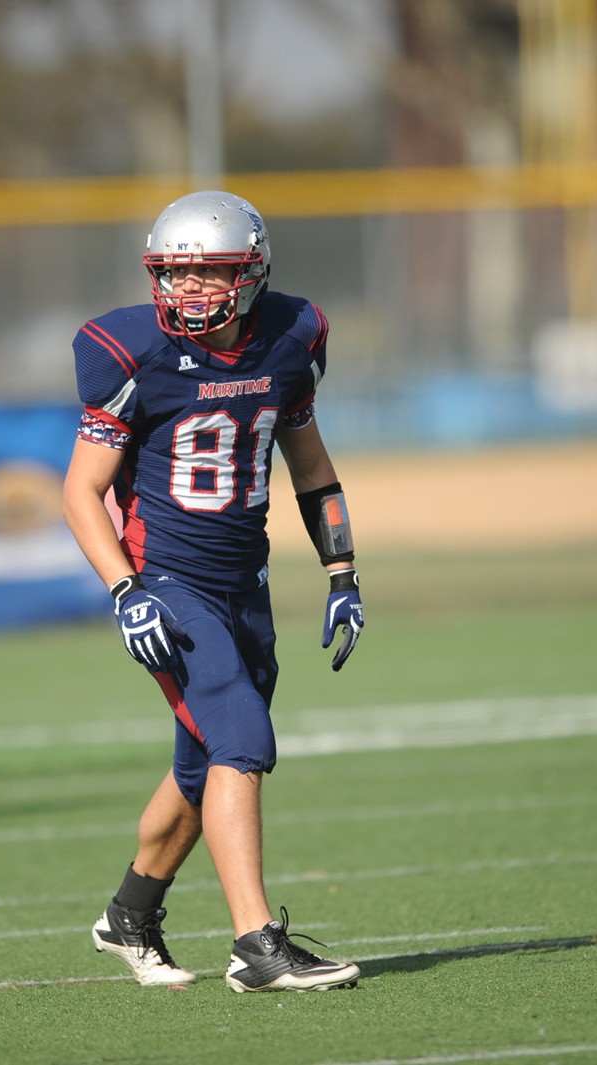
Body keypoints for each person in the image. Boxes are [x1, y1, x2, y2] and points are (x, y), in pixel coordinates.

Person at [62, 191, 366, 992]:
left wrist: (343, 569)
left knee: (203, 770)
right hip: (166, 577)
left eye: (211, 273)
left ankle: (129, 916)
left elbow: (312, 465)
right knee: (240, 736)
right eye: (177, 273)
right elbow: (79, 492)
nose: (190, 290)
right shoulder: (130, 350)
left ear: (253, 272)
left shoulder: (292, 337)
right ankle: (256, 946)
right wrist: (127, 590)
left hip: (244, 579)